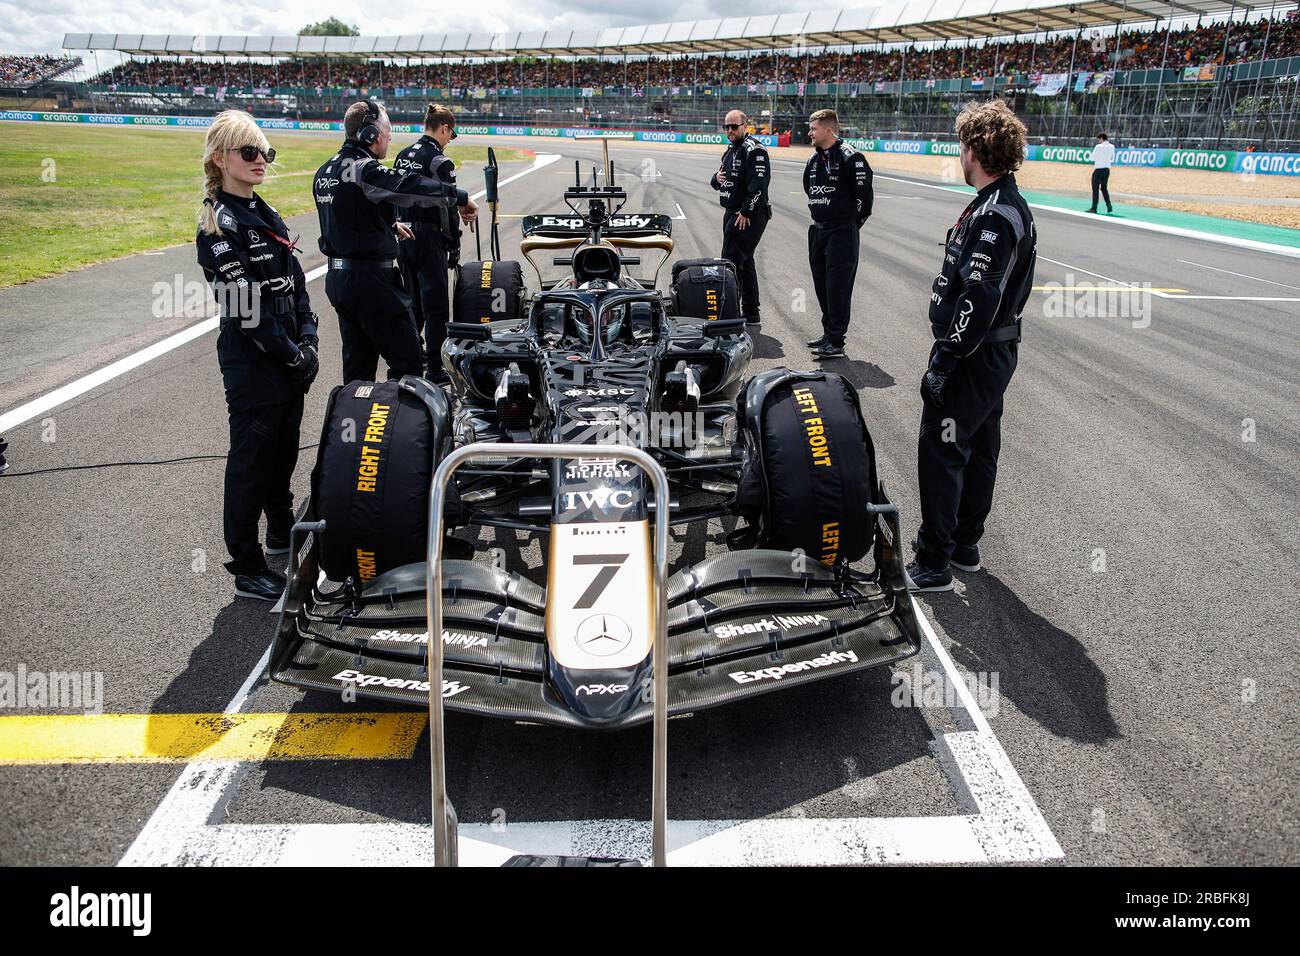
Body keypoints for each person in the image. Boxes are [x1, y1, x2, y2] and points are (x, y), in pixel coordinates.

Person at [910, 99, 1037, 592]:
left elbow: (980, 295)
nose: (959, 155)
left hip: (973, 352)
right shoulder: (1001, 203)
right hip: (992, 351)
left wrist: (945, 357)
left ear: (975, 149)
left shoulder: (996, 213)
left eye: (961, 146)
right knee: (980, 446)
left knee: (942, 448)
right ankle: (964, 546)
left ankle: (933, 561)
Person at [196, 110, 320, 601]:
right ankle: (246, 565)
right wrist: (291, 354)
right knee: (251, 458)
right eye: (249, 152)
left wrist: (308, 341)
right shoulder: (217, 224)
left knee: (285, 448)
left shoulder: (266, 213)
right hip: (253, 359)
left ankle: (279, 528)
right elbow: (244, 307)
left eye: (264, 152)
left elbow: (298, 284)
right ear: (220, 158)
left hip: (289, 348)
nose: (260, 160)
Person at [313, 99, 475, 384]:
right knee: (408, 364)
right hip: (371, 281)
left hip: (339, 280)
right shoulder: (363, 168)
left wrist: (388, 224)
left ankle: (358, 421)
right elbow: (409, 187)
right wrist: (459, 197)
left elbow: (349, 214)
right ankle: (402, 426)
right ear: (371, 135)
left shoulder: (324, 172)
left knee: (358, 369)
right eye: (387, 132)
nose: (389, 138)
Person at [393, 104, 474, 383]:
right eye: (450, 135)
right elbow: (447, 205)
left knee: (411, 303)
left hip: (403, 235)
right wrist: (453, 242)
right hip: (428, 237)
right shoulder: (440, 161)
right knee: (436, 306)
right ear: (444, 128)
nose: (449, 141)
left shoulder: (402, 156)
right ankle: (436, 369)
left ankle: (409, 361)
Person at [801, 108, 873, 359]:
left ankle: (836, 340)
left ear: (828, 130)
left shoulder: (850, 157)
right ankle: (828, 332)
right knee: (822, 285)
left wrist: (849, 226)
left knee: (837, 288)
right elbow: (808, 189)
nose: (809, 132)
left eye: (813, 128)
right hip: (818, 231)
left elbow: (865, 200)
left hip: (842, 233)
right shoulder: (813, 160)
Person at [710, 109, 771, 324]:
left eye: (733, 126)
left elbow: (759, 188)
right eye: (726, 126)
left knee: (731, 262)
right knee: (746, 261)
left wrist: (746, 212)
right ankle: (751, 312)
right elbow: (717, 181)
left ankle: (729, 315)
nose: (729, 130)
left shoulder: (754, 150)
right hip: (732, 212)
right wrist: (716, 178)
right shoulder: (730, 150)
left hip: (747, 215)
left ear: (746, 126)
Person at [1088, 132, 1114, 214]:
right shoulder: (1112, 146)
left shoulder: (1098, 147)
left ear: (1101, 138)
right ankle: (1108, 204)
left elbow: (1092, 158)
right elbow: (1112, 158)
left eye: (1099, 139)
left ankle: (1094, 208)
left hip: (1099, 169)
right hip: (1107, 170)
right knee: (1104, 188)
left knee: (1095, 189)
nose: (1098, 141)